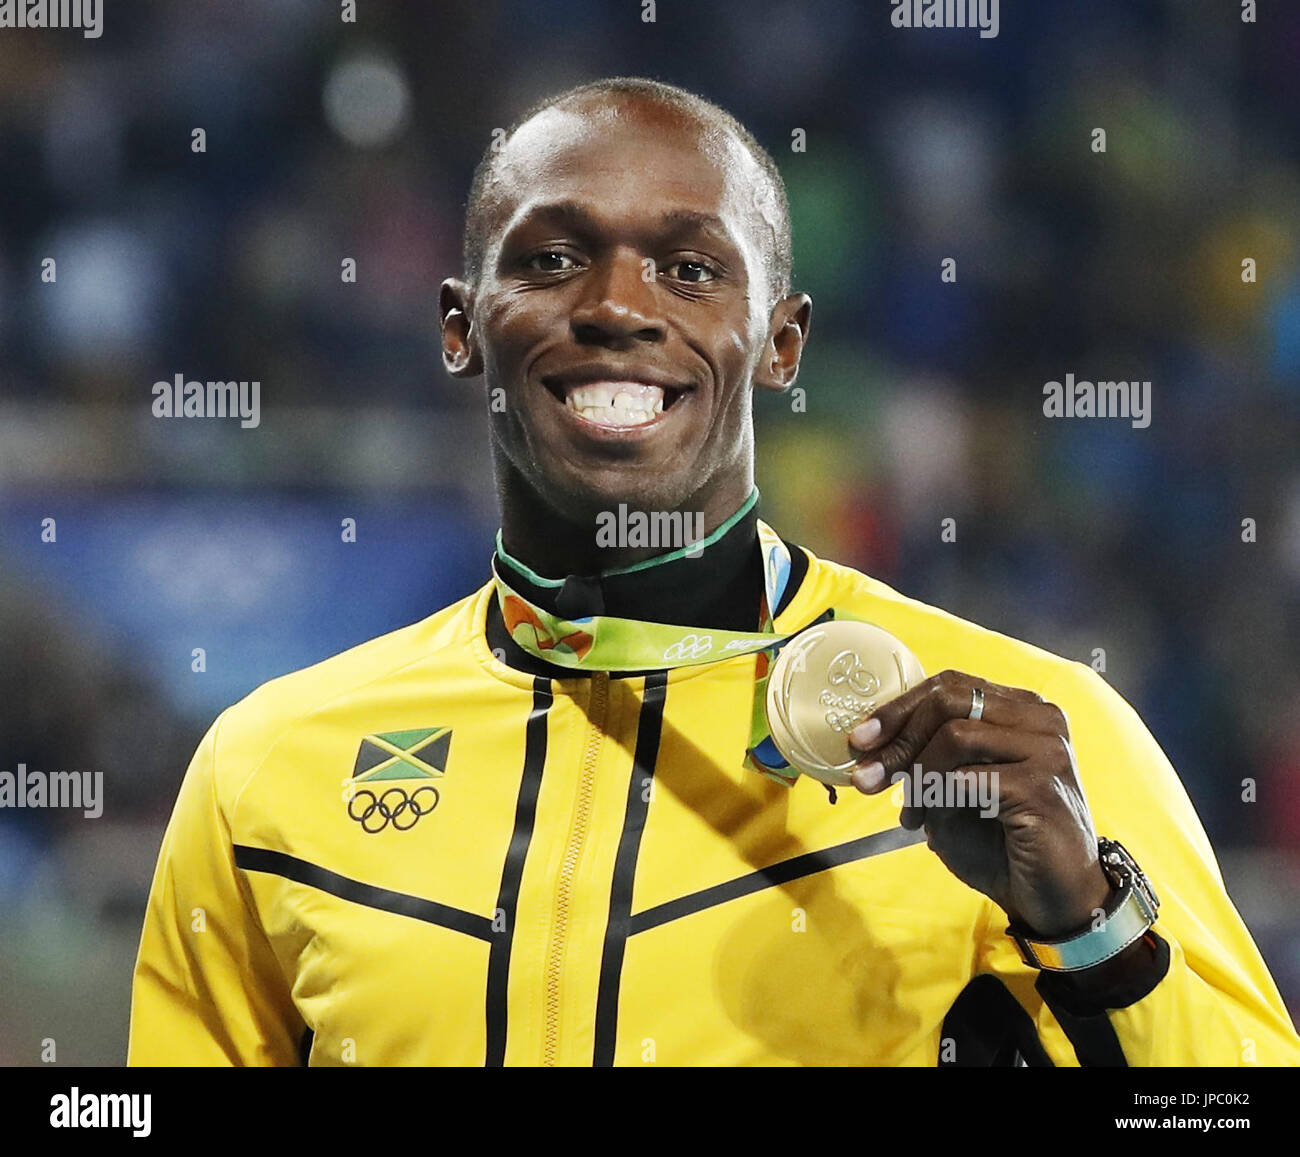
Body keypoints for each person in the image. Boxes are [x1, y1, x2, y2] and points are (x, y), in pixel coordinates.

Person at [128, 77, 1300, 1066]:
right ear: (460, 324)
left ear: (781, 340)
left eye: (690, 269)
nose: (616, 308)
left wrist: (1091, 925)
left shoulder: (1025, 741)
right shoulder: (267, 770)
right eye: (551, 258)